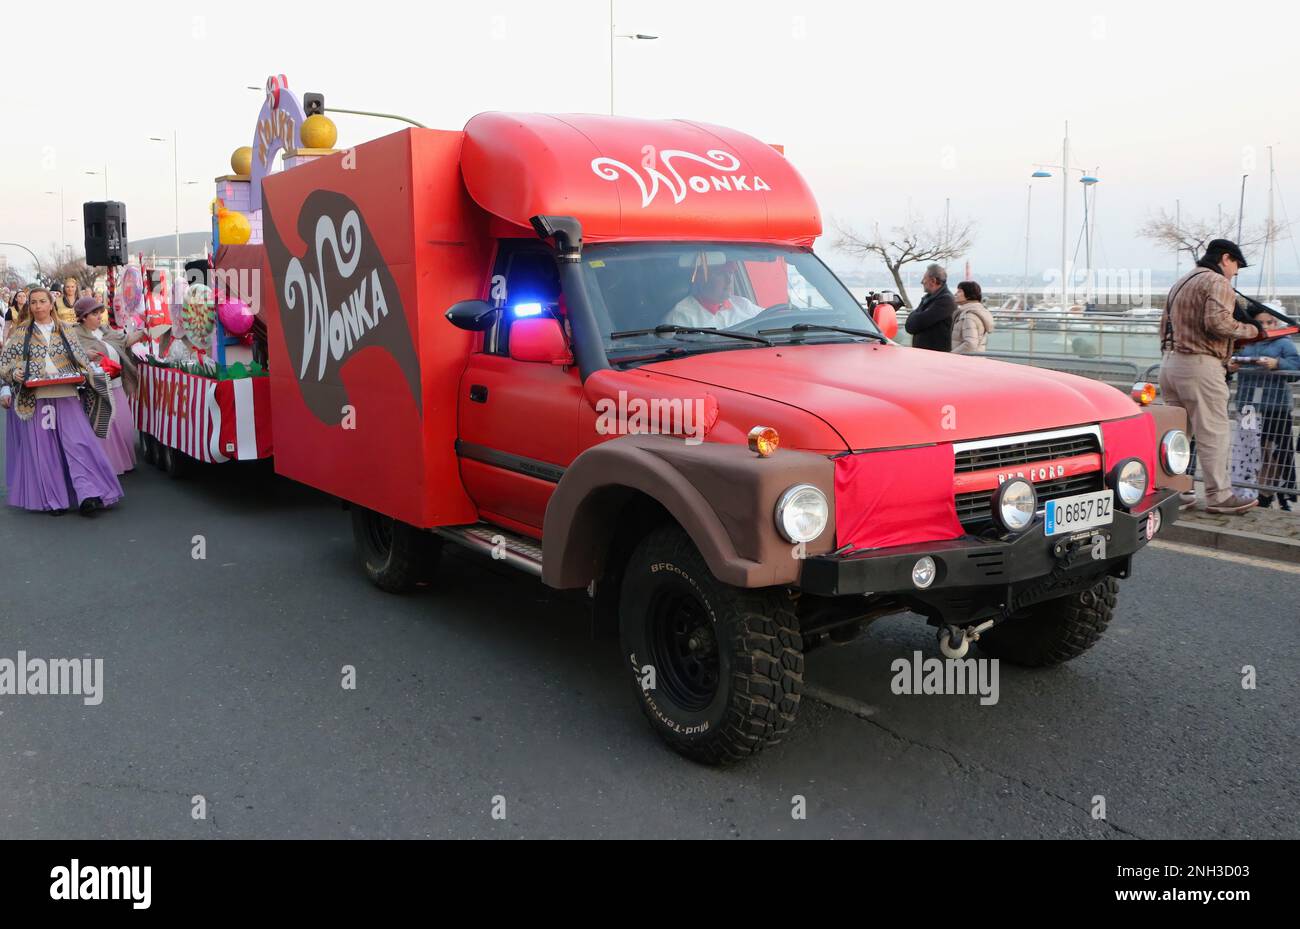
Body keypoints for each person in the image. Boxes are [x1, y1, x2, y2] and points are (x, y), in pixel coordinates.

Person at [1157, 239, 1263, 515]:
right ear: (1226, 258)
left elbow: (1163, 326)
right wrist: (1253, 331)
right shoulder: (1216, 281)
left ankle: (1174, 493)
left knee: (1177, 435)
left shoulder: (1182, 281)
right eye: (1237, 264)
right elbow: (1218, 323)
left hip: (1169, 363)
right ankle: (1220, 496)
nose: (1236, 272)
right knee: (1213, 433)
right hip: (1199, 366)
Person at [0, 287, 123, 516]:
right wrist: (15, 373)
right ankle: (54, 499)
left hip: (67, 393)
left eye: (42, 301)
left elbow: (81, 359)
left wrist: (88, 372)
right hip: (36, 398)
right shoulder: (20, 333)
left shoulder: (66, 329)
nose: (38, 306)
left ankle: (89, 494)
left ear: (51, 304)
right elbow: (5, 365)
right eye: (34, 302)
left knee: (79, 443)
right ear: (29, 306)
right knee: (44, 451)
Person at [1231, 313, 1299, 510]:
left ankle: (1275, 494)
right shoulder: (1243, 341)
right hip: (1249, 405)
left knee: (1278, 452)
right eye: (1260, 322)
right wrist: (1231, 366)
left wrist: (1277, 364)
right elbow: (1226, 362)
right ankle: (1253, 492)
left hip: (1276, 405)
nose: (1265, 326)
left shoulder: (1284, 343)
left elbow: (1296, 367)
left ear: (1276, 323)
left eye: (1269, 322)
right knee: (1253, 452)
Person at [73, 295, 145, 475]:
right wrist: (83, 355)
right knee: (106, 428)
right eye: (94, 314)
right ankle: (108, 467)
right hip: (96, 389)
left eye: (100, 313)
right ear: (83, 317)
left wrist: (145, 330)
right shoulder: (75, 336)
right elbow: (69, 356)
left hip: (117, 384)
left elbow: (126, 340)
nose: (99, 317)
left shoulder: (107, 330)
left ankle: (125, 463)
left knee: (124, 425)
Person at [663, 259, 764, 329]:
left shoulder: (743, 304)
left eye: (730, 273)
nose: (729, 280)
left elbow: (770, 318)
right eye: (720, 274)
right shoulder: (681, 317)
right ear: (701, 278)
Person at [904, 264, 956, 351]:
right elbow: (910, 324)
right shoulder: (929, 298)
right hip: (926, 354)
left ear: (933, 281)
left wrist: (915, 316)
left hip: (936, 356)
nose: (921, 282)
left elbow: (914, 324)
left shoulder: (946, 300)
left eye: (924, 279)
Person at [951, 280, 994, 353]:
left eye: (959, 291)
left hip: (965, 361)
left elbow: (970, 344)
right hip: (974, 359)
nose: (955, 294)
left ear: (969, 295)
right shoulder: (975, 312)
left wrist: (952, 355)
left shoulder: (969, 316)